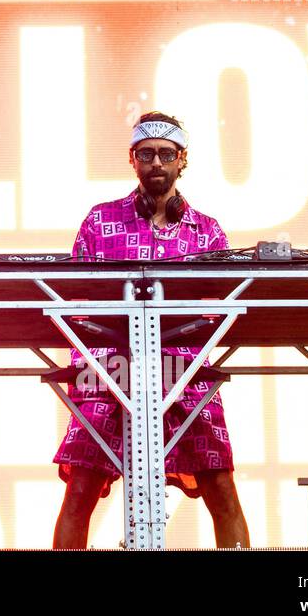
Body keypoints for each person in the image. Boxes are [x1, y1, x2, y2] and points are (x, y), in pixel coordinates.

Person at [52, 111, 250, 548]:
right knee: (80, 490)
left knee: (221, 488)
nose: (156, 162)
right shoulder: (100, 221)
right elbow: (75, 304)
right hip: (109, 371)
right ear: (133, 159)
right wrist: (88, 373)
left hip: (185, 372)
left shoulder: (208, 231)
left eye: (166, 154)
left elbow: (220, 309)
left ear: (183, 160)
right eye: (146, 154)